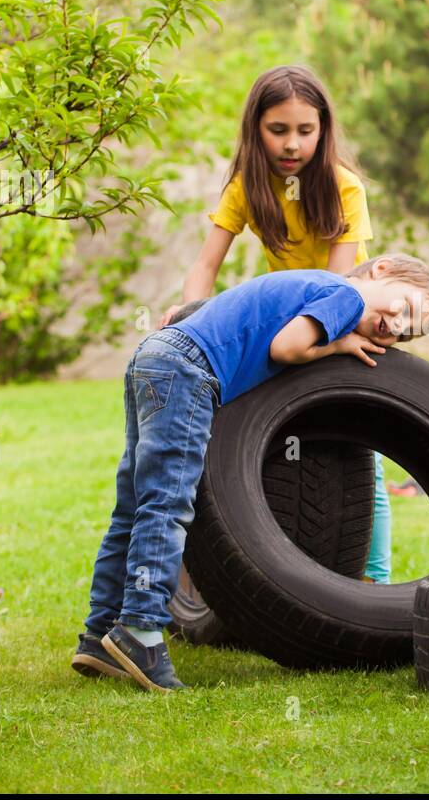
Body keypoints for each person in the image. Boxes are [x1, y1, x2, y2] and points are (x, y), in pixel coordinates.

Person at [73, 253, 429, 692]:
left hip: (159, 357)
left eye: (407, 332)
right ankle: (140, 628)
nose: (398, 326)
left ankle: (100, 633)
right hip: (189, 370)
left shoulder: (314, 285)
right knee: (167, 503)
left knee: (136, 505)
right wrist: (338, 346)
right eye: (405, 307)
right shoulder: (347, 297)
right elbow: (286, 347)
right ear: (381, 270)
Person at [158, 64, 397, 583]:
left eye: (305, 130)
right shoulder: (248, 187)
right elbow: (204, 266)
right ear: (256, 129)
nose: (292, 144)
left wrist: (325, 340)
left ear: (323, 130)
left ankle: (374, 583)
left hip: (343, 322)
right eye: (278, 129)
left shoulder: (344, 187)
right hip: (283, 327)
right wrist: (191, 318)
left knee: (364, 460)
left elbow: (340, 286)